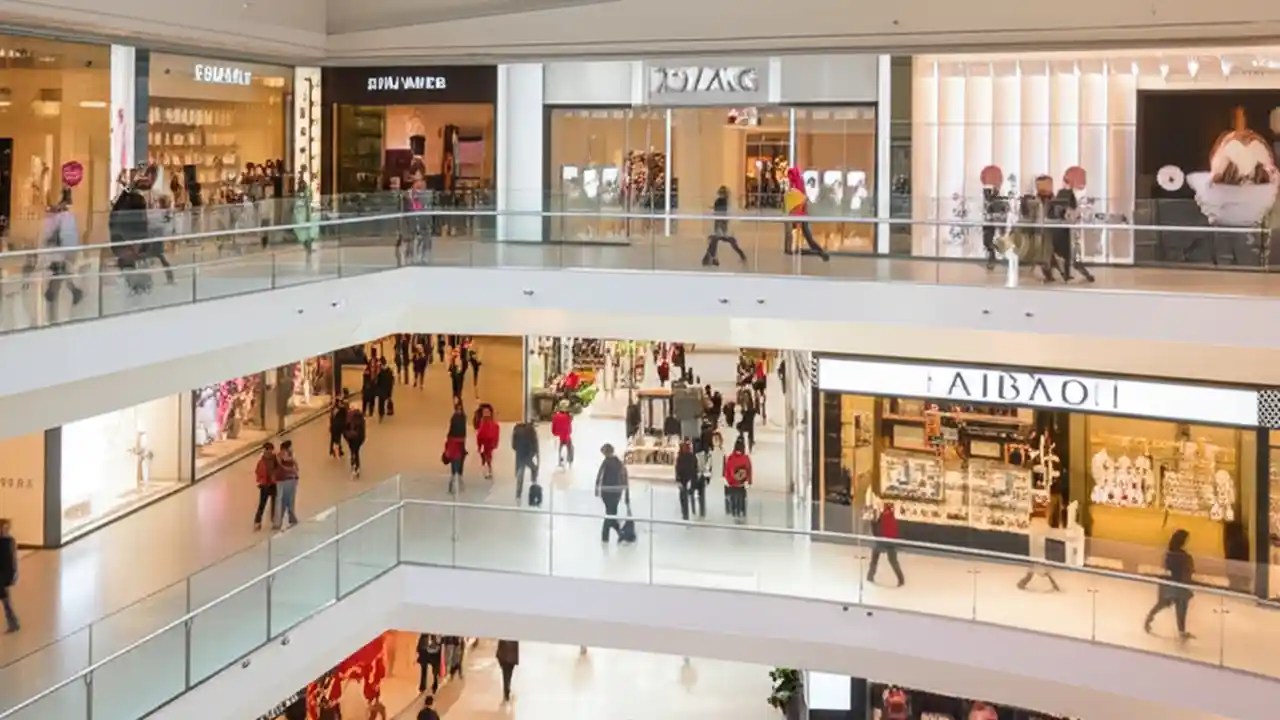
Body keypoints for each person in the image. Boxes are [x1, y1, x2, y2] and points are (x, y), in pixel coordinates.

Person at [1144, 528, 1195, 640]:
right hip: (1180, 585)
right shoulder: (1186, 557)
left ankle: (1149, 618)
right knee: (1181, 607)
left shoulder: (1169, 554)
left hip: (1169, 584)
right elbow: (1189, 571)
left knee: (1162, 604)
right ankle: (1181, 631)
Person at [41, 193, 85, 306]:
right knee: (60, 272)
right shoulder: (67, 217)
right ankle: (56, 292)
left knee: (59, 272)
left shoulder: (61, 217)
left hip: (60, 251)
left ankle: (54, 292)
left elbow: (57, 235)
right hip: (61, 251)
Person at [783, 166, 831, 261]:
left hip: (797, 214)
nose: (789, 177)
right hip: (797, 214)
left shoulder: (796, 184)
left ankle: (819, 252)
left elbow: (801, 199)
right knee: (806, 237)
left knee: (803, 236)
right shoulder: (796, 183)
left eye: (790, 175)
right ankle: (820, 252)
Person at [702, 185, 747, 266]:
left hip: (722, 225)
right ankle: (712, 258)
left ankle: (711, 258)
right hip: (721, 225)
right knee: (716, 241)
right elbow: (720, 213)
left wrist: (721, 227)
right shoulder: (723, 201)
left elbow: (721, 214)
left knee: (718, 240)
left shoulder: (721, 201)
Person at [595, 443, 630, 542]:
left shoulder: (607, 462)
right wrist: (626, 493)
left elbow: (599, 476)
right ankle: (619, 533)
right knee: (611, 513)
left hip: (607, 492)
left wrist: (597, 489)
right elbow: (625, 477)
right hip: (616, 492)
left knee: (610, 514)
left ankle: (608, 536)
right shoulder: (619, 463)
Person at [867, 503, 905, 587]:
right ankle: (901, 579)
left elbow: (875, 528)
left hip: (883, 541)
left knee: (875, 557)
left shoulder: (883, 517)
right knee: (893, 561)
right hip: (890, 542)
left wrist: (873, 520)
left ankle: (870, 576)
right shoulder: (892, 519)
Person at [511, 414, 540, 502]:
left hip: (521, 453)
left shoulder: (517, 428)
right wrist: (536, 453)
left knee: (520, 474)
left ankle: (518, 495)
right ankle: (533, 482)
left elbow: (514, 443)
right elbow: (535, 442)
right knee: (533, 468)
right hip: (527, 454)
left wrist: (516, 448)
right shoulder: (531, 429)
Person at [273, 439, 300, 529]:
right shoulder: (283, 456)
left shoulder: (285, 455)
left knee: (284, 500)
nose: (292, 448)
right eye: (291, 446)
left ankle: (283, 520)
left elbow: (296, 467)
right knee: (287, 500)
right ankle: (289, 519)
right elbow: (292, 467)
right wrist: (292, 469)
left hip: (287, 479)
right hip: (287, 479)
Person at [723, 437, 752, 520]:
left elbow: (727, 470)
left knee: (733, 501)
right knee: (741, 501)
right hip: (741, 484)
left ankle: (734, 514)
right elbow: (749, 470)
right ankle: (741, 514)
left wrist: (728, 480)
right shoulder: (746, 458)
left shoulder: (730, 458)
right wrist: (749, 481)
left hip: (732, 484)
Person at [252, 442, 279, 531]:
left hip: (274, 484)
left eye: (270, 450)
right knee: (262, 504)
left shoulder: (275, 459)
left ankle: (274, 520)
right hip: (265, 485)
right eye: (267, 450)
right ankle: (257, 521)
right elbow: (258, 472)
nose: (268, 452)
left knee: (275, 504)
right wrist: (261, 480)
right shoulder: (261, 462)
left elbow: (279, 469)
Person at [445, 399, 468, 494]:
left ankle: (453, 485)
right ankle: (457, 484)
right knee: (458, 464)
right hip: (458, 444)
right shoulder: (462, 418)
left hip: (456, 443)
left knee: (456, 465)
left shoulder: (456, 418)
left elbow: (451, 432)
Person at [699, 431, 725, 517]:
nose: (715, 441)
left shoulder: (720, 452)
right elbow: (708, 464)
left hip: (719, 477)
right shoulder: (714, 452)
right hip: (715, 476)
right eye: (714, 439)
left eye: (717, 439)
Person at [0, 519, 19, 632]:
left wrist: (15, 572)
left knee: (6, 599)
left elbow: (14, 557)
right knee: (6, 599)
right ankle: (13, 623)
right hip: (2, 572)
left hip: (6, 572)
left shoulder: (10, 541)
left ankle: (13, 622)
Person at [675, 439, 699, 521]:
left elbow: (678, 470)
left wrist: (679, 480)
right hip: (687, 480)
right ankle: (688, 513)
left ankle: (685, 514)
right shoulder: (690, 457)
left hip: (686, 480)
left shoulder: (682, 457)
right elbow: (695, 470)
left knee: (683, 496)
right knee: (686, 495)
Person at [475, 404, 500, 480]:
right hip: (483, 443)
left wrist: (495, 443)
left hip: (489, 443)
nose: (486, 413)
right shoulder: (482, 422)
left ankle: (488, 470)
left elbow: (495, 433)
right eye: (485, 412)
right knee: (484, 457)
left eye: (487, 412)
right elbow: (479, 435)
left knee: (488, 457)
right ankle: (486, 471)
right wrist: (479, 445)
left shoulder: (492, 423)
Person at [345, 407, 367, 479]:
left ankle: (354, 467)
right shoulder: (361, 419)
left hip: (351, 438)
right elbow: (363, 431)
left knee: (353, 452)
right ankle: (357, 467)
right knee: (356, 452)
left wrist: (347, 438)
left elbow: (345, 429)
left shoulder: (349, 417)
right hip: (359, 439)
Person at [551, 401, 574, 468]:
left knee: (560, 447)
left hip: (558, 434)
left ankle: (559, 461)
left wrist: (554, 433)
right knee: (570, 447)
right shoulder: (568, 416)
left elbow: (553, 427)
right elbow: (570, 423)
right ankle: (570, 461)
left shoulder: (555, 416)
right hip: (566, 435)